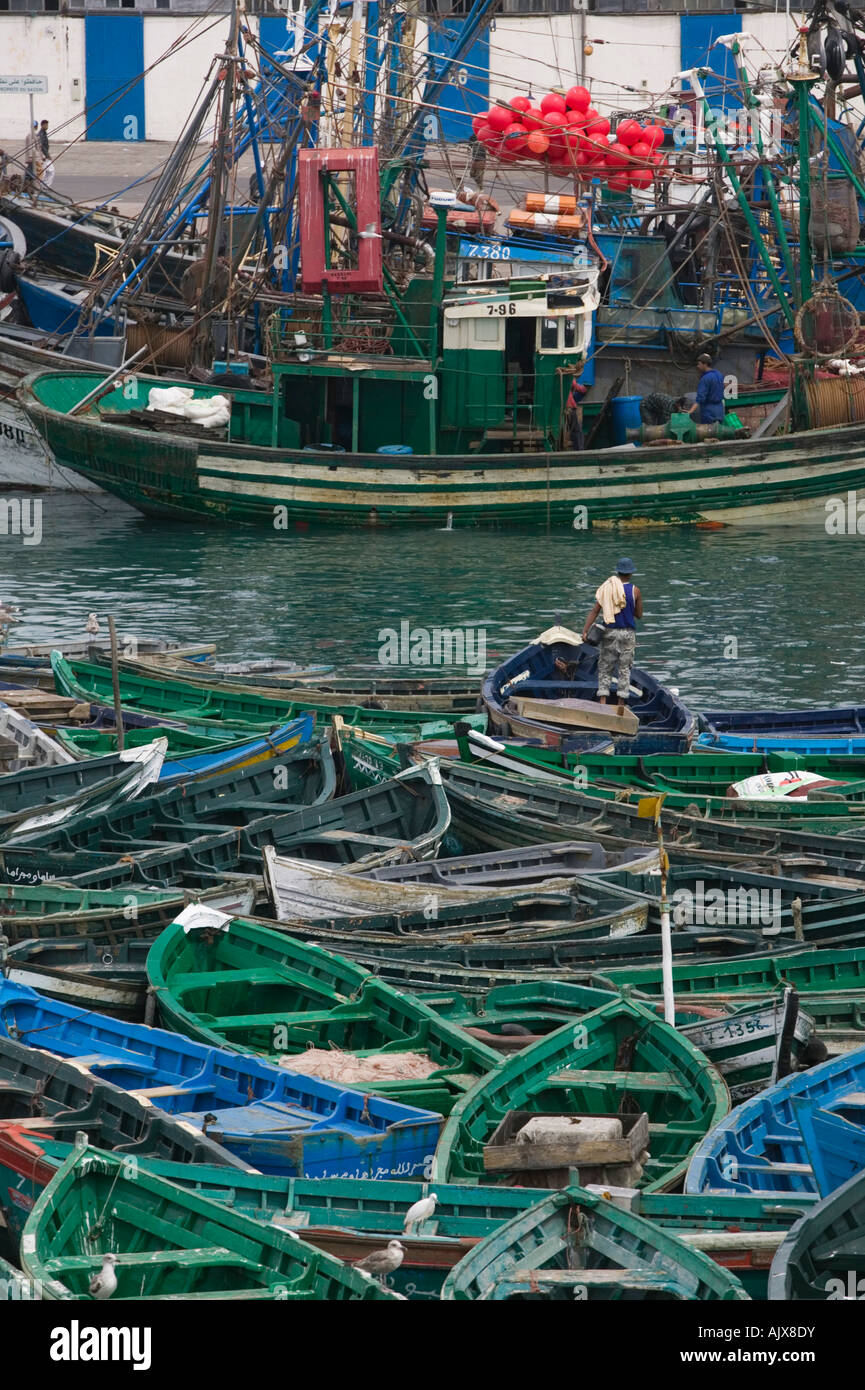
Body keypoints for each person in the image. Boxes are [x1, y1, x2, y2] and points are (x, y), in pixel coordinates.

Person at [581, 558, 643, 709]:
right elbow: (639, 614)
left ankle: (602, 702)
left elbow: (595, 611)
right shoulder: (635, 591)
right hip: (627, 634)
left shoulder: (607, 589)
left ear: (618, 572)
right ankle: (621, 704)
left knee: (605, 667)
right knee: (624, 668)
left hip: (609, 632)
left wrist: (585, 630)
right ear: (631, 574)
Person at [690, 353, 725, 425]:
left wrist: (690, 411)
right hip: (720, 410)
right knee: (718, 434)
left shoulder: (705, 378)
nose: (698, 366)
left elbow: (700, 398)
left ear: (705, 364)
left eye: (699, 364)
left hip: (709, 413)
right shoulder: (719, 375)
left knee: (708, 433)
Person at [566, 369, 589, 450]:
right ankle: (579, 450)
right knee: (576, 431)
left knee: (574, 430)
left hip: (565, 408)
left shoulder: (561, 376)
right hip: (569, 408)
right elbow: (578, 388)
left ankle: (578, 449)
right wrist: (585, 388)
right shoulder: (568, 376)